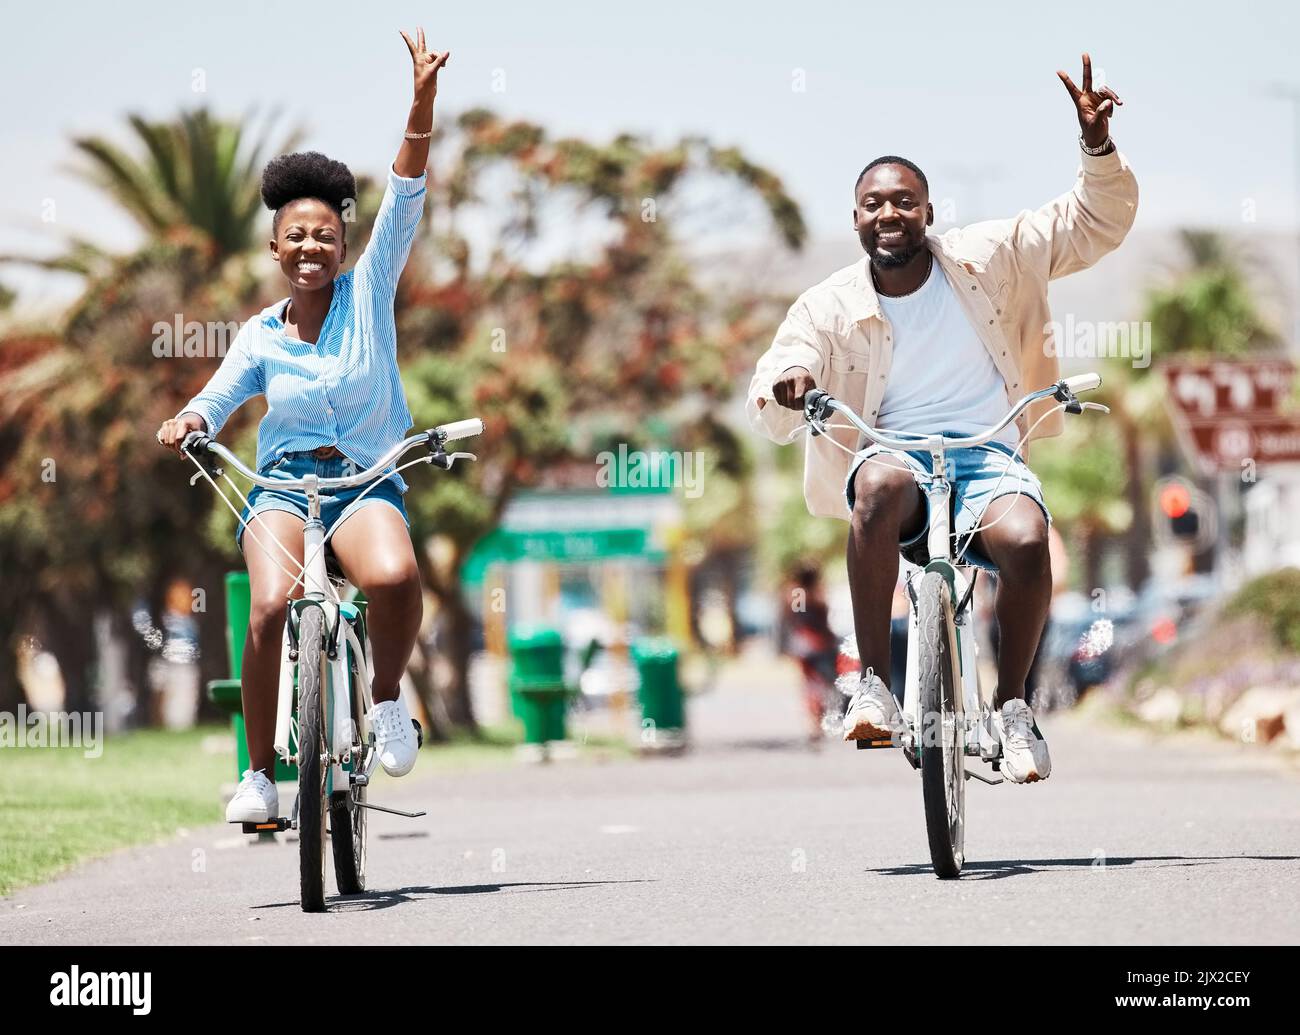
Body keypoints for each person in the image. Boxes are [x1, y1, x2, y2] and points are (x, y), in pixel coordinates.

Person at [747, 55, 1137, 784]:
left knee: (1025, 540)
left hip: (989, 457)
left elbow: (1094, 222)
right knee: (874, 489)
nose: (889, 213)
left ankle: (1015, 707)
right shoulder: (829, 303)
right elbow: (779, 370)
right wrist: (790, 381)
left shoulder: (991, 257)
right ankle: (873, 683)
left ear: (928, 211)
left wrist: (1095, 147)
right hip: (897, 458)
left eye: (904, 201)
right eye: (873, 203)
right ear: (856, 217)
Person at [156, 28, 451, 822]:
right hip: (282, 488)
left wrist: (420, 101)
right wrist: (191, 416)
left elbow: (407, 187)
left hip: (362, 481)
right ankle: (258, 775)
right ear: (276, 247)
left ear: (346, 242)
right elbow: (218, 396)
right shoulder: (260, 334)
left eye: (326, 233)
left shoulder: (370, 289)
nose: (311, 245)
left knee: (391, 578)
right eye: (297, 235)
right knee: (270, 605)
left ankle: (387, 698)